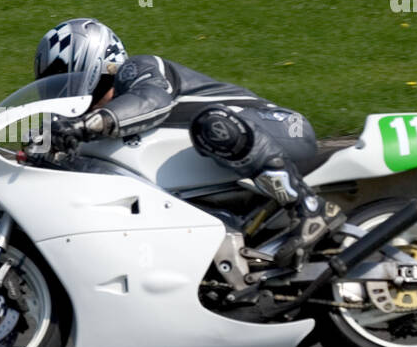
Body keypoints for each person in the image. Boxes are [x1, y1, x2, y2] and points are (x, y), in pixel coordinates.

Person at [33, 18, 342, 267]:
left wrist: (84, 125)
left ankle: (310, 208)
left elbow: (151, 101)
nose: (59, 89)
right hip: (226, 171)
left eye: (62, 76)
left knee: (213, 125)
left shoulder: (138, 70)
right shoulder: (94, 136)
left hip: (282, 127)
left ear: (95, 62)